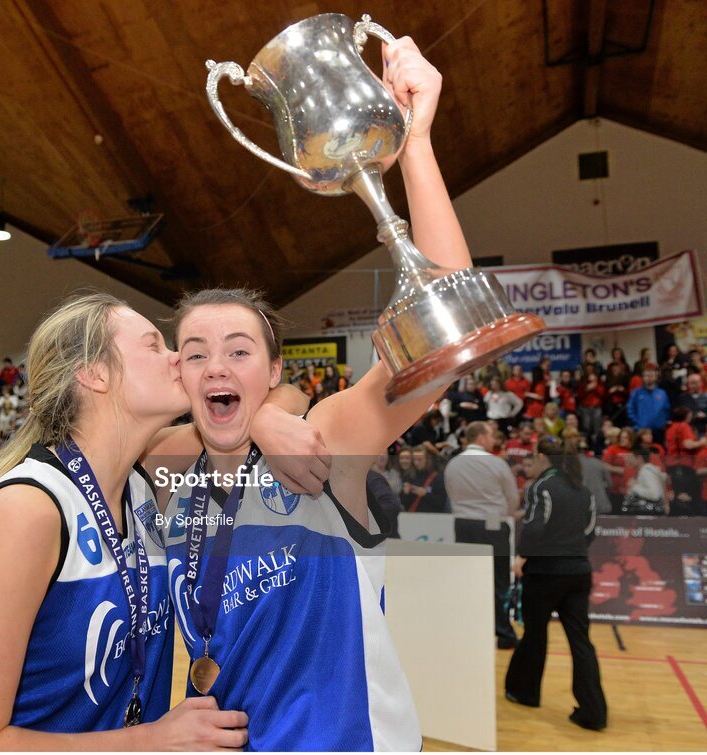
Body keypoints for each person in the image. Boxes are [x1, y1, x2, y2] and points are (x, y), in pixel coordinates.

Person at [160, 38, 474, 749]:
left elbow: (445, 331)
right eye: (196, 353)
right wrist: (252, 428)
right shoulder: (164, 478)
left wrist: (416, 144)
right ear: (177, 375)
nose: (217, 366)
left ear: (274, 373)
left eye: (239, 351)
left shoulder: (322, 443)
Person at [0, 292, 306, 749]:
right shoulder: (27, 510)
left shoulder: (142, 477)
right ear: (95, 373)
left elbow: (268, 395)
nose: (177, 357)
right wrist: (149, 741)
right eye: (152, 346)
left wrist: (270, 416)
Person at [506, 440, 607, 731]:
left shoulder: (542, 487)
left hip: (546, 572)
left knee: (535, 634)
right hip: (578, 571)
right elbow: (590, 532)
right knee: (581, 642)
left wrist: (523, 556)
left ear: (541, 457)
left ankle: (525, 694)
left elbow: (535, 527)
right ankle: (593, 712)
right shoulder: (582, 489)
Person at [443, 421, 521, 649]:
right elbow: (512, 500)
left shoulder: (453, 465)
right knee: (498, 581)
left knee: (468, 580)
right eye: (490, 435)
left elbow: (451, 495)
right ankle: (503, 632)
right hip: (492, 525)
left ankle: (470, 629)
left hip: (463, 525)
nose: (494, 439)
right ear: (481, 438)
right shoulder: (497, 464)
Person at [627, 365, 670, 444]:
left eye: (651, 375)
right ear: (643, 377)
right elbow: (630, 409)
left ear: (656, 377)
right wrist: (637, 423)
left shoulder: (662, 393)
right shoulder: (637, 393)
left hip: (658, 430)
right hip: (642, 430)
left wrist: (663, 423)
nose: (648, 378)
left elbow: (667, 410)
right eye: (646, 375)